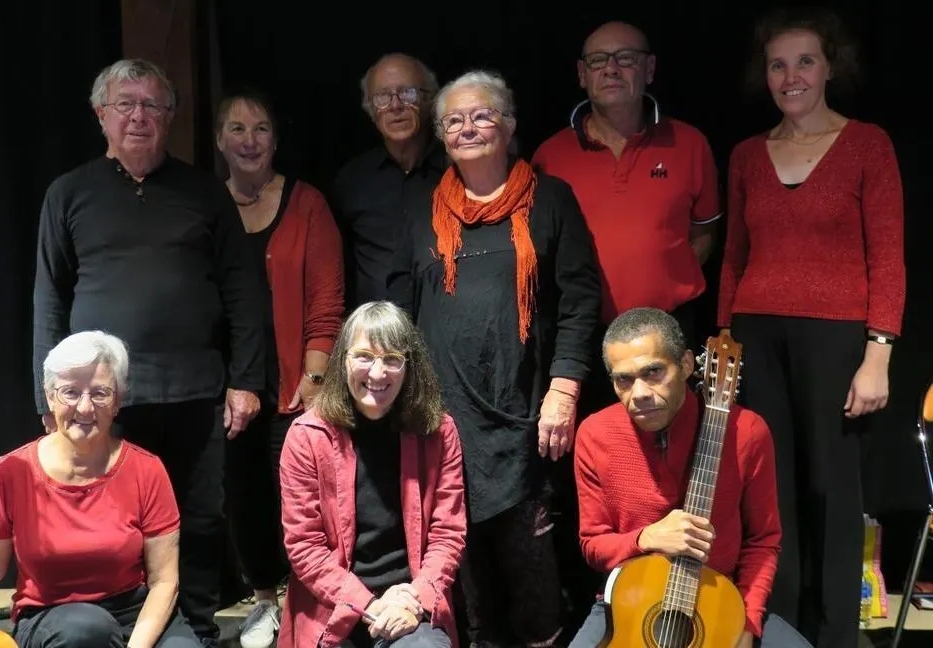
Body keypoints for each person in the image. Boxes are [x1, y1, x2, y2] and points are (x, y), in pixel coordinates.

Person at [32, 58, 267, 646]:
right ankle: (117, 628)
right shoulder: (68, 193)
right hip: (100, 400)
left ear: (170, 117)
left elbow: (244, 291)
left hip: (195, 389)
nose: (139, 116)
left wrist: (246, 380)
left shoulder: (205, 192)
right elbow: (49, 299)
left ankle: (196, 633)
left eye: (152, 106)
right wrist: (48, 395)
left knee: (201, 518)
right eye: (125, 104)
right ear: (101, 115)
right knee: (110, 520)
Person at [387, 69, 600, 648]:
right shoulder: (420, 210)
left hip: (525, 419)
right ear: (441, 135)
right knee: (468, 579)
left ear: (508, 126)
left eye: (482, 115)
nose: (468, 128)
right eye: (453, 120)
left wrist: (564, 389)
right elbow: (401, 307)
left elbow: (580, 301)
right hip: (444, 418)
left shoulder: (550, 200)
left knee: (533, 580)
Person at [717, 8, 905, 647]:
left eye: (804, 61)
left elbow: (888, 257)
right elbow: (733, 258)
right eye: (777, 65)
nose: (790, 76)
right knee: (771, 492)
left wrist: (878, 354)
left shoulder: (868, 145)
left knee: (832, 489)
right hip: (756, 338)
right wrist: (724, 342)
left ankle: (834, 636)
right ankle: (780, 630)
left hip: (837, 340)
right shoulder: (746, 155)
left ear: (830, 68)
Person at [0, 331, 201, 648]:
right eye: (70, 392)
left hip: (135, 613)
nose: (85, 407)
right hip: (51, 616)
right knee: (86, 630)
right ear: (49, 397)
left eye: (100, 393)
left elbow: (164, 581)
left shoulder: (146, 469)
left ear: (117, 401)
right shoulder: (12, 469)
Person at [571, 308, 812, 648]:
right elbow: (593, 544)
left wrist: (748, 624)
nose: (639, 393)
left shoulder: (747, 432)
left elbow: (763, 540)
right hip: (627, 601)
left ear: (686, 365)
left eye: (653, 372)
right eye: (623, 379)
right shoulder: (595, 434)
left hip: (721, 598)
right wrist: (646, 538)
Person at [532, 20, 721, 411]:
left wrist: (657, 284)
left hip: (669, 334)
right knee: (592, 442)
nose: (611, 68)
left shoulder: (689, 144)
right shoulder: (549, 156)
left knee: (674, 442)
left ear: (649, 69)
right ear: (582, 74)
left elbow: (704, 234)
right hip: (582, 338)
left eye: (626, 58)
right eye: (598, 60)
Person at [214, 88, 345, 648]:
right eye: (237, 129)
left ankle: (307, 604)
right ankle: (264, 600)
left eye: (261, 128)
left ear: (275, 139)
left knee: (300, 500)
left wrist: (315, 381)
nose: (250, 140)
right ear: (219, 140)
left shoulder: (307, 203)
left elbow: (327, 302)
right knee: (243, 497)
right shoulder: (207, 204)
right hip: (227, 383)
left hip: (295, 382)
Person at [277, 301, 465, 648]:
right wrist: (370, 606)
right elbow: (304, 546)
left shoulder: (439, 432)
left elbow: (448, 533)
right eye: (364, 356)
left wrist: (416, 599)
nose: (378, 373)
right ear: (343, 360)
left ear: (410, 366)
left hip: (411, 606)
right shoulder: (306, 437)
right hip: (332, 609)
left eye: (392, 359)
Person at [331, 53, 446, 309]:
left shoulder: (457, 172)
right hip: (374, 329)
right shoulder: (351, 181)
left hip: (444, 324)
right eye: (382, 96)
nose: (395, 106)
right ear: (371, 109)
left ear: (429, 100)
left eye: (407, 93)